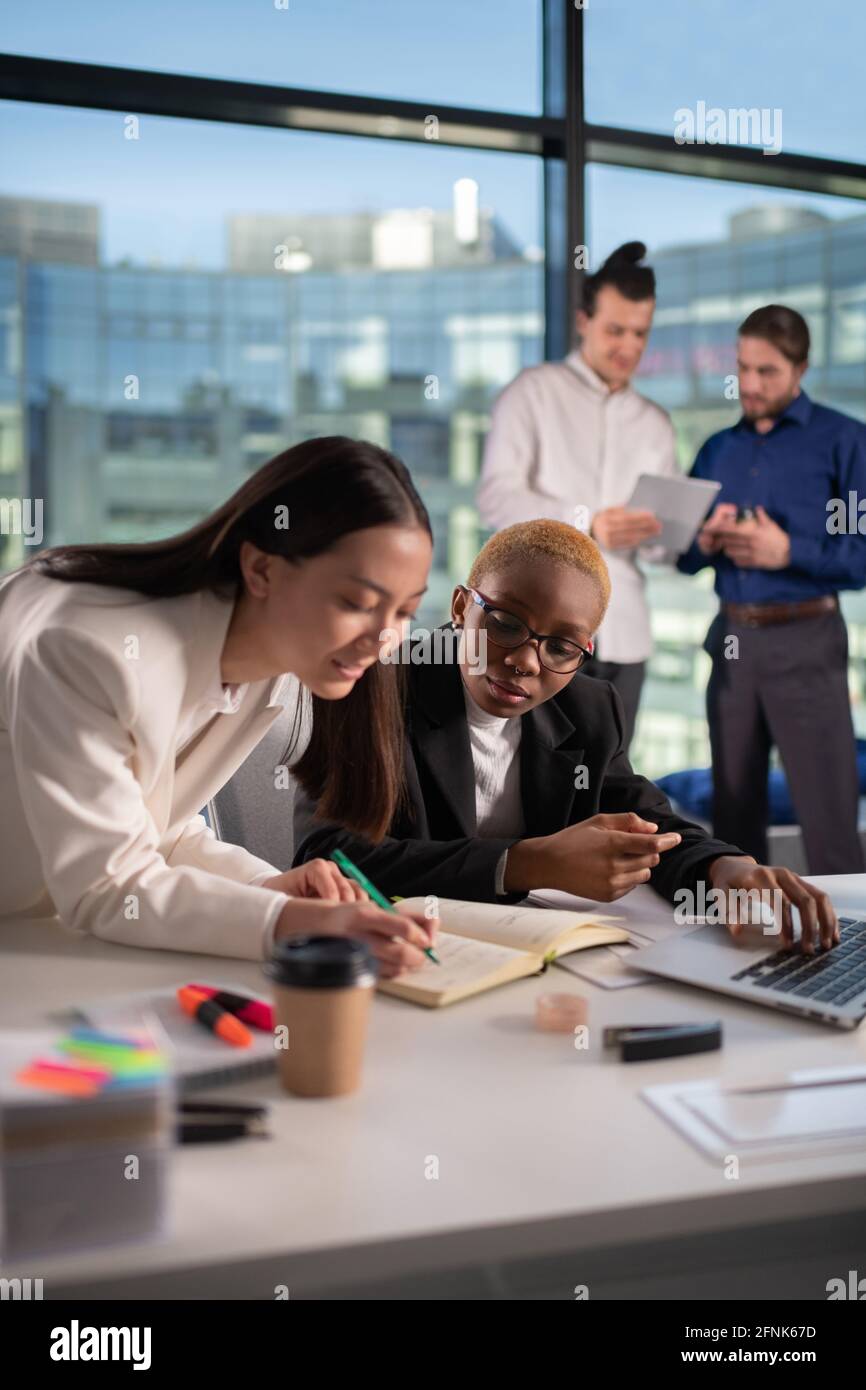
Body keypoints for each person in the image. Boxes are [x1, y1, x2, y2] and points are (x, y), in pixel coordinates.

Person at [294, 519, 838, 953]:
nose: (526, 661)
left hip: (542, 962)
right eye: (505, 623)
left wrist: (723, 867)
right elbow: (328, 855)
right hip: (409, 956)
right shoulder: (377, 688)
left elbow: (646, 821)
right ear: (462, 607)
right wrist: (528, 863)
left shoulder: (590, 706)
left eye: (561, 647)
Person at [0, 436, 438, 973]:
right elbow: (107, 886)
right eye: (356, 603)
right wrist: (291, 922)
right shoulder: (88, 649)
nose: (382, 638)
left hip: (46, 944)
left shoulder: (267, 664)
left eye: (404, 612)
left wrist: (267, 887)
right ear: (261, 569)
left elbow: (156, 823)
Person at [677, 305, 866, 876]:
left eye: (767, 372)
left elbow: (863, 554)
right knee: (733, 823)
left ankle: (851, 952)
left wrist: (790, 552)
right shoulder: (716, 448)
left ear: (800, 368)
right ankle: (738, 947)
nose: (750, 386)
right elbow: (684, 557)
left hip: (807, 643)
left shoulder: (845, 441)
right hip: (732, 644)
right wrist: (704, 539)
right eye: (743, 369)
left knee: (829, 821)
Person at [476, 241, 677, 750]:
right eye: (615, 330)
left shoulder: (656, 424)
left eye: (639, 333)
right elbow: (496, 498)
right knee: (536, 780)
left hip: (626, 633)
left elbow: (663, 549)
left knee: (607, 779)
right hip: (540, 635)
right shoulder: (532, 392)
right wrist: (586, 523)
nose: (628, 346)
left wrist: (665, 534)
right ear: (584, 320)